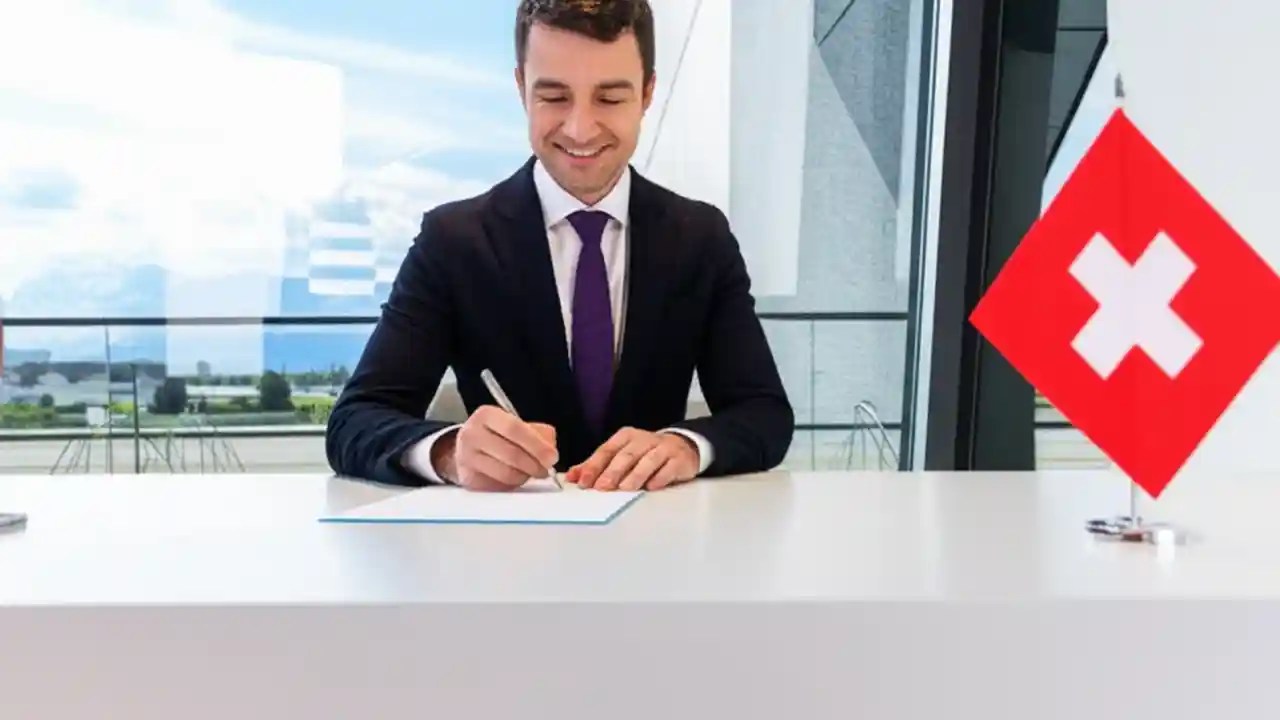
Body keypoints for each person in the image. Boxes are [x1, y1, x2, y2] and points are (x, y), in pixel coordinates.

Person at [325, 0, 793, 492]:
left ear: (648, 92)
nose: (580, 129)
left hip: (658, 542)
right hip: (505, 551)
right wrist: (448, 452)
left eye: (610, 99)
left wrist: (686, 446)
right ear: (521, 90)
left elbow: (764, 413)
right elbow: (355, 421)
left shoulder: (700, 239)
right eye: (554, 97)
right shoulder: (453, 242)